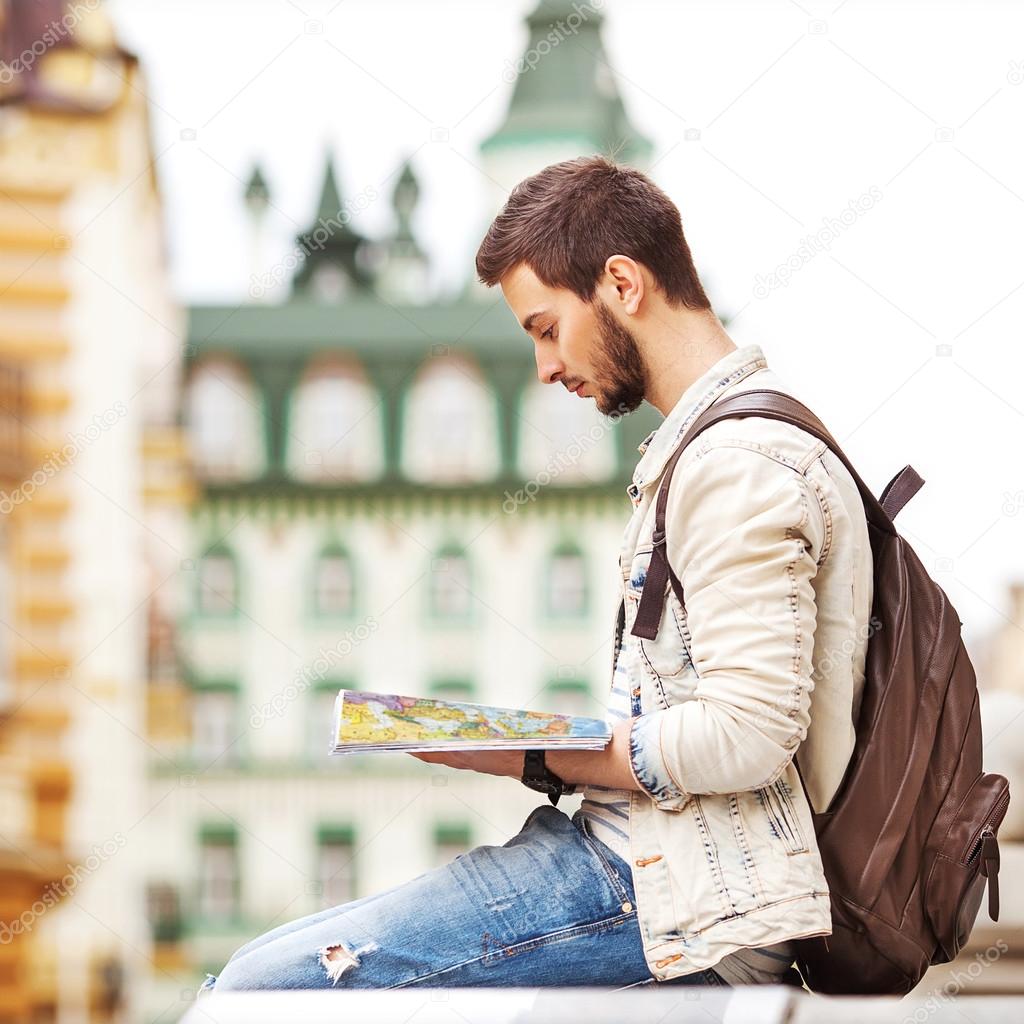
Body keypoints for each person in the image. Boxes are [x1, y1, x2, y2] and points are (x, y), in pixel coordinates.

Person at [206, 155, 872, 992]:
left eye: (545, 329)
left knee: (259, 991)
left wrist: (550, 756)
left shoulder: (737, 463)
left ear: (622, 284)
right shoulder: (716, 448)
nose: (546, 369)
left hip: (672, 897)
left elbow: (747, 734)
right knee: (247, 969)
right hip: (637, 860)